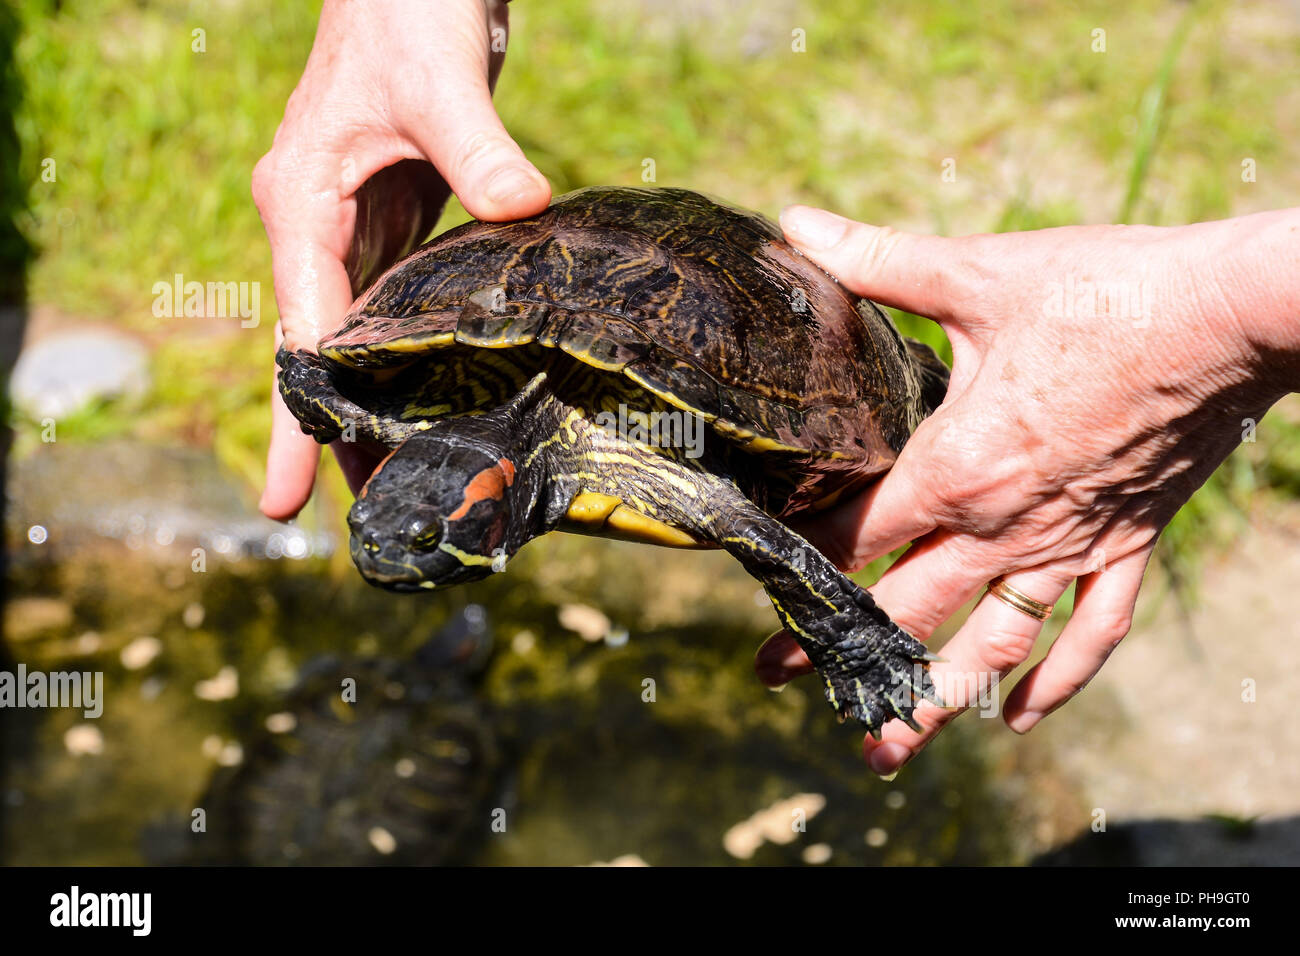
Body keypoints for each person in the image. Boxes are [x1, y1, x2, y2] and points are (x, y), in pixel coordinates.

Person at [253, 0, 1300, 777]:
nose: (392, 545)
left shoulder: (616, 442)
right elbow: (331, 372)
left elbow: (740, 519)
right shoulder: (433, 395)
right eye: (400, 530)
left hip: (731, 339)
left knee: (754, 510)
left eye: (426, 530)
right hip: (517, 321)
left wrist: (1218, 325)